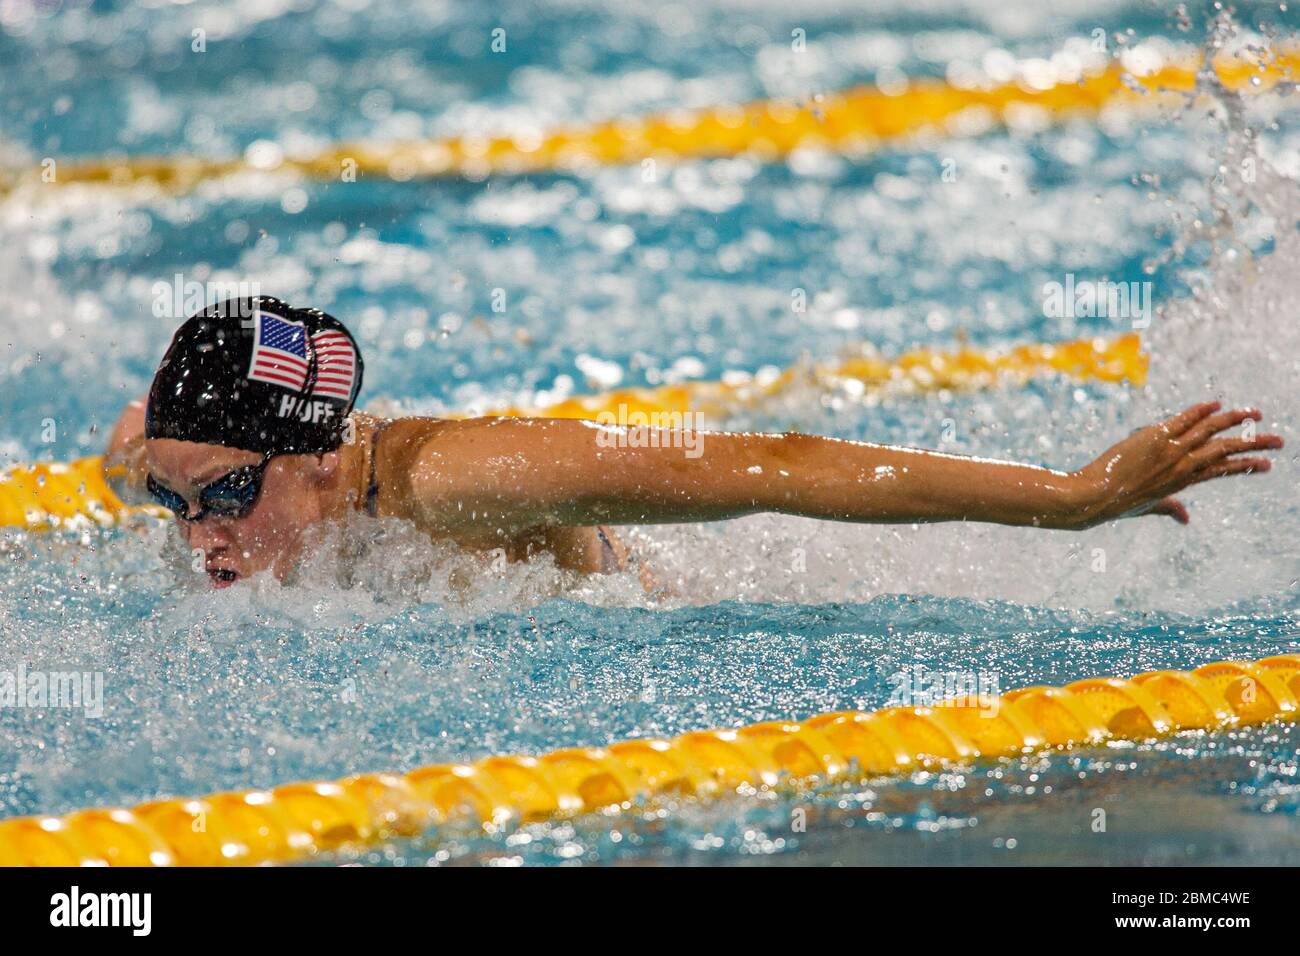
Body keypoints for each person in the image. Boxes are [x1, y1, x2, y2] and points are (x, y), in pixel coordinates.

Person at [106, 296, 1282, 591]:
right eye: (177, 502)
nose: (199, 535)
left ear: (320, 456)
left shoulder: (470, 480)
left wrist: (1071, 495)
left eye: (225, 495)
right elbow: (133, 455)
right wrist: (151, 469)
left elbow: (767, 464)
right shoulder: (189, 465)